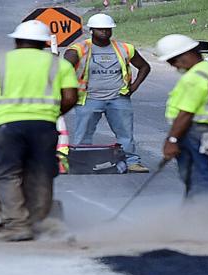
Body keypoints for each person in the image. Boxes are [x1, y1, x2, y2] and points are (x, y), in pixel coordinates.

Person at [0, 20, 79, 242]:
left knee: (3, 173)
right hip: (44, 127)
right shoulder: (59, 65)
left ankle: (17, 224)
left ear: (15, 40)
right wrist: (52, 114)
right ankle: (39, 222)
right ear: (44, 43)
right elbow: (71, 97)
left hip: (6, 127)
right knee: (42, 172)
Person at [64, 14, 152, 173]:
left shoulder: (125, 48)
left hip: (118, 98)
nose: (104, 32)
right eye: (100, 29)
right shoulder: (79, 49)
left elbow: (144, 67)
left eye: (107, 29)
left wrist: (134, 86)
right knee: (83, 135)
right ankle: (81, 163)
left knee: (125, 135)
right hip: (89, 98)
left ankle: (131, 161)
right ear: (91, 30)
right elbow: (65, 67)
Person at [152, 34, 208, 200]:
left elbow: (186, 112)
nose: (174, 66)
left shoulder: (194, 77)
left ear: (186, 54)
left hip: (194, 132)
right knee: (197, 175)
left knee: (197, 178)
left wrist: (172, 140)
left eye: (173, 61)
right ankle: (192, 215)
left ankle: (201, 218)